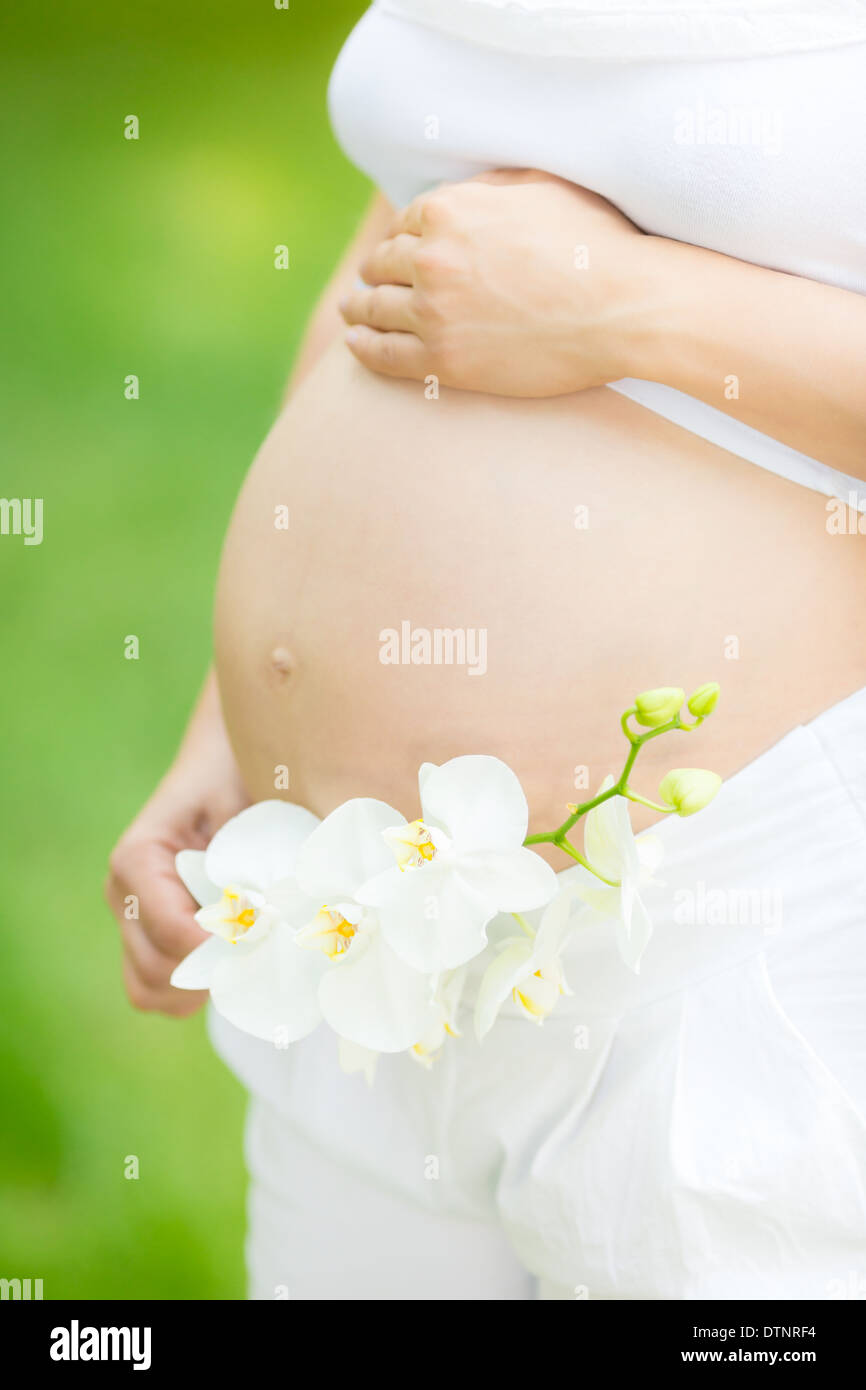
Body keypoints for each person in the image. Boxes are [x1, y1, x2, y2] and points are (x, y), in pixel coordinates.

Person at [106, 0, 866, 1299]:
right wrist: (225, 735)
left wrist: (622, 306)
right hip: (349, 922)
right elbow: (406, 248)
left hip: (722, 941)